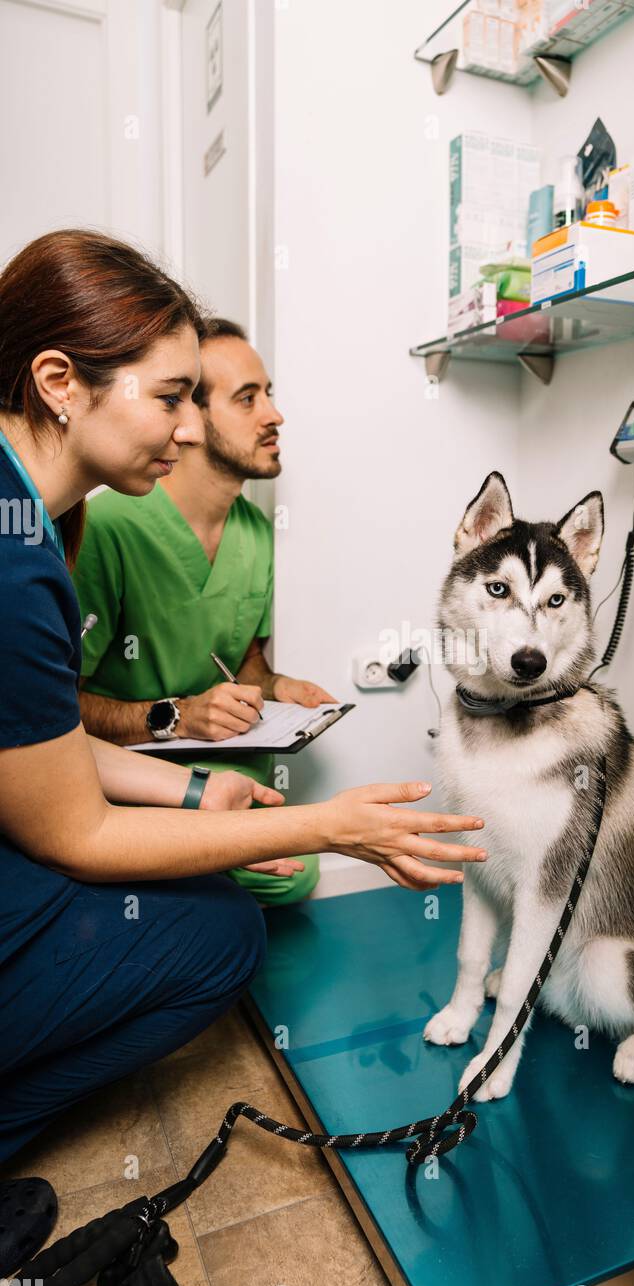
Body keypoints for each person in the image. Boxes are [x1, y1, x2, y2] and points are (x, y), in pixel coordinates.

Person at [0, 228, 487, 1173]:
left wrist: (193, 794)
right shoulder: (29, 563)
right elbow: (77, 831)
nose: (189, 429)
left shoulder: (45, 520)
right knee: (221, 939)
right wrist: (327, 827)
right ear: (61, 382)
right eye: (173, 397)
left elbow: (31, 740)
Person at [72, 317, 331, 908]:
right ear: (192, 416)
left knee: (295, 873)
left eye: (270, 394)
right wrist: (179, 716)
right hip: (126, 779)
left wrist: (279, 686)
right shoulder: (109, 526)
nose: (274, 416)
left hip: (231, 772)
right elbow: (56, 708)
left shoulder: (257, 534)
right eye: (248, 399)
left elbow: (247, 665)